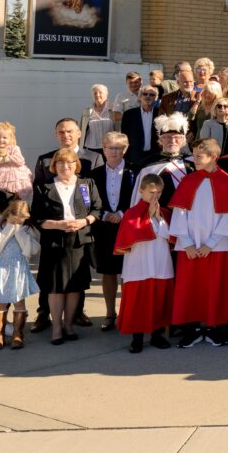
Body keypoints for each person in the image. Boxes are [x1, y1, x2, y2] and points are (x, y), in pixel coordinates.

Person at [168, 140, 228, 348]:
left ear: (214, 156)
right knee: (190, 288)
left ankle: (216, 328)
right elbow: (179, 212)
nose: (194, 159)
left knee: (216, 287)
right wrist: (187, 243)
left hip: (216, 246)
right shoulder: (188, 180)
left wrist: (212, 243)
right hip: (190, 246)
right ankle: (192, 329)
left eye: (199, 156)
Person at [31, 149, 102, 344]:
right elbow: (36, 218)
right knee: (55, 288)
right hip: (54, 242)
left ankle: (69, 325)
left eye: (70, 162)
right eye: (61, 163)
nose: (66, 166)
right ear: (54, 166)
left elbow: (97, 209)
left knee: (74, 287)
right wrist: (57, 224)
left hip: (79, 241)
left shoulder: (86, 185)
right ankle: (56, 328)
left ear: (76, 164)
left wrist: (84, 221)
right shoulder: (43, 187)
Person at [115, 175, 175, 352]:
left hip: (160, 261)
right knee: (138, 300)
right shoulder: (131, 213)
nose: (155, 196)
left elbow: (171, 236)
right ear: (141, 191)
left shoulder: (164, 212)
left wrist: (158, 217)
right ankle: (137, 338)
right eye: (151, 192)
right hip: (139, 264)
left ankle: (157, 334)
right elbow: (130, 237)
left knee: (159, 298)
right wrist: (147, 218)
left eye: (158, 192)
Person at [90, 134, 136, 332]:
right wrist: (105, 214)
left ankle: (128, 313)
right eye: (110, 147)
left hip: (128, 226)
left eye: (118, 148)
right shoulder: (94, 174)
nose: (114, 151)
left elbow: (139, 198)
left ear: (125, 149)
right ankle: (110, 314)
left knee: (128, 272)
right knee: (108, 273)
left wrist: (121, 214)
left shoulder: (134, 171)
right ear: (103, 148)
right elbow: (87, 201)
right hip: (104, 227)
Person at [0, 199, 39, 350]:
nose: (17, 223)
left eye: (21, 220)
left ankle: (17, 334)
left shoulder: (27, 229)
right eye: (14, 220)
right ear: (8, 215)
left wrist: (20, 233)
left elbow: (34, 249)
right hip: (2, 270)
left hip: (19, 269)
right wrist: (7, 230)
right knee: (0, 302)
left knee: (19, 302)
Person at [81, 84, 115, 153]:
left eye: (100, 92)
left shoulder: (114, 109)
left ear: (106, 93)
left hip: (111, 147)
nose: (97, 95)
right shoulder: (87, 111)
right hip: (91, 147)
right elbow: (81, 130)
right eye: (95, 93)